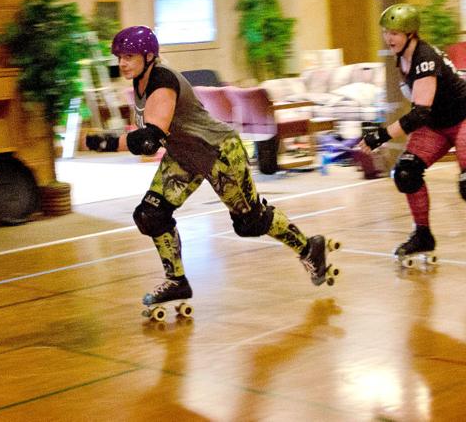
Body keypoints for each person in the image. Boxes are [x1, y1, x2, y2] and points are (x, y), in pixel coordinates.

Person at [85, 26, 338, 320]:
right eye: (119, 57)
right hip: (184, 156)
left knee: (249, 222)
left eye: (129, 56)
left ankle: (310, 247)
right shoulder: (141, 81)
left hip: (219, 151)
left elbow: (148, 141)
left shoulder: (162, 80)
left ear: (149, 55)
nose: (122, 63)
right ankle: (177, 282)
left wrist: (107, 142)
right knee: (150, 214)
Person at [358, 3, 466, 269]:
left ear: (411, 34)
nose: (389, 38)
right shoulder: (400, 57)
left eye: (396, 33)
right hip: (438, 123)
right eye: (387, 32)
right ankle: (423, 235)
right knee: (406, 172)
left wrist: (379, 136)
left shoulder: (424, 57)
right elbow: (421, 109)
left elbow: (419, 114)